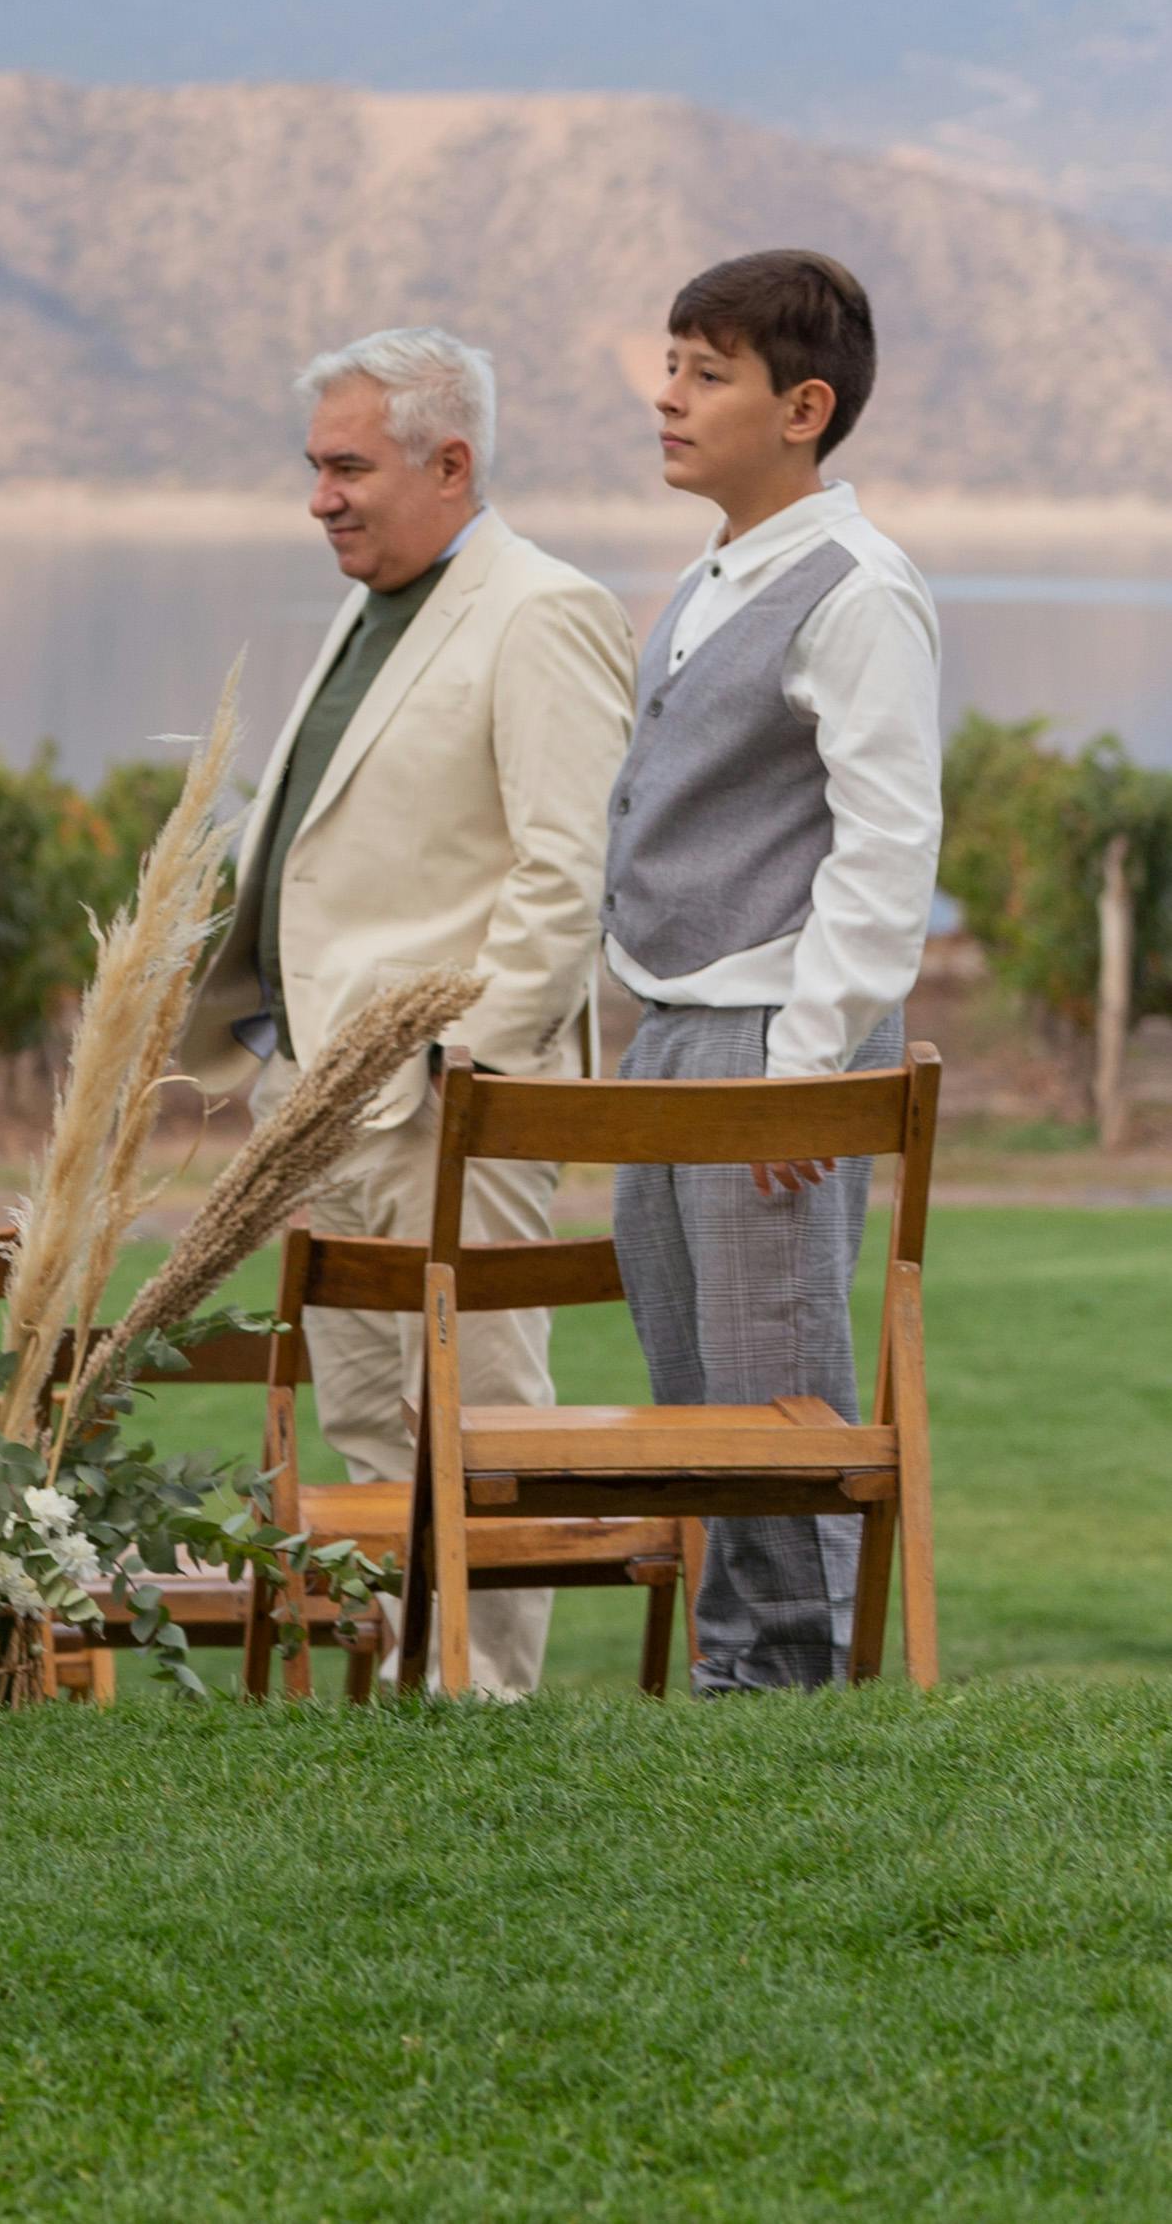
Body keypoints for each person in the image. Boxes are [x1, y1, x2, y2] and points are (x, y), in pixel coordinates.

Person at [176, 329, 632, 1699]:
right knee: (371, 1419)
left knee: (473, 1413)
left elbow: (568, 870)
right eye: (314, 467)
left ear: (450, 462)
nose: (319, 496)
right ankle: (395, 1690)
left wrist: (464, 1072)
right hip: (317, 1098)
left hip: (445, 1104)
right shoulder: (372, 603)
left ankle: (481, 1701)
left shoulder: (541, 609)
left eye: (345, 467)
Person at [603, 250, 940, 1692]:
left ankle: (794, 1711)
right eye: (670, 364)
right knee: (695, 1403)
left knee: (770, 1398)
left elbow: (884, 850)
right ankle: (735, 1701)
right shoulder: (708, 577)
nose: (666, 398)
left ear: (801, 406)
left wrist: (802, 1074)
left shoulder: (856, 590)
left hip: (766, 1045)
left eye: (705, 372)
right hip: (672, 1037)